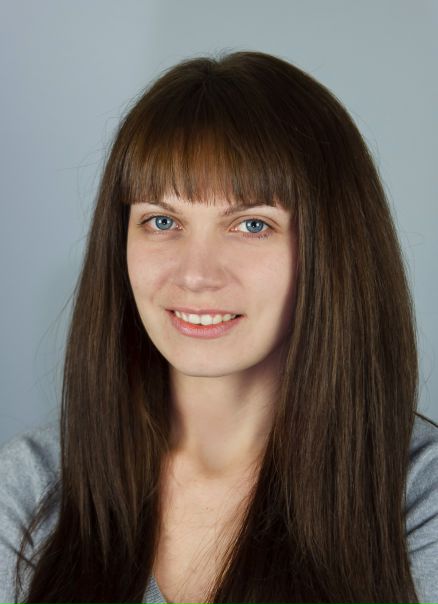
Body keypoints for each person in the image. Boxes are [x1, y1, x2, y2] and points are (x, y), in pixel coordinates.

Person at [1, 50, 437, 604]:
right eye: (162, 220)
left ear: (333, 250)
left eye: (252, 224)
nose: (196, 274)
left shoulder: (420, 498)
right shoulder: (30, 488)